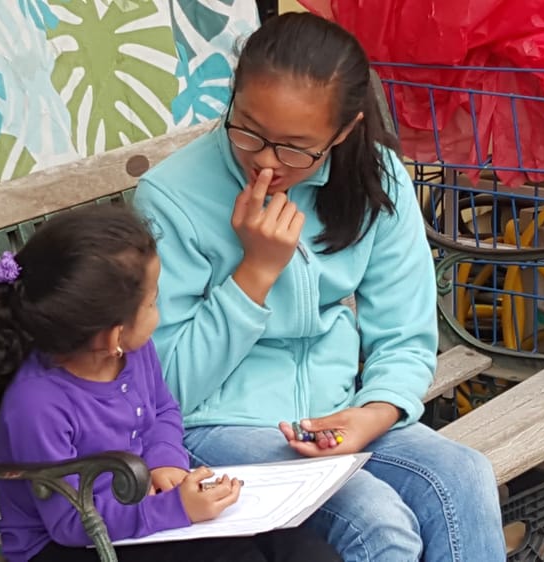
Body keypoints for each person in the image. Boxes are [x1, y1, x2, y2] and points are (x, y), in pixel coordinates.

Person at [132, 12, 506, 562]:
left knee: (465, 476)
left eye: (295, 148)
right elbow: (166, 387)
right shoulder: (171, 197)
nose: (265, 160)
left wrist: (372, 412)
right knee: (379, 523)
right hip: (214, 427)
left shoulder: (377, 178)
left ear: (344, 131)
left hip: (336, 415)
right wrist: (255, 273)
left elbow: (404, 335)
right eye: (248, 129)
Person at [0, 204, 343, 562]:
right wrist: (175, 510)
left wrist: (165, 460)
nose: (159, 309)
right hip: (65, 544)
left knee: (303, 549)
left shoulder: (132, 352)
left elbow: (162, 410)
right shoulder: (37, 406)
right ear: (112, 336)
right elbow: (69, 524)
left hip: (140, 505)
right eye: (153, 302)